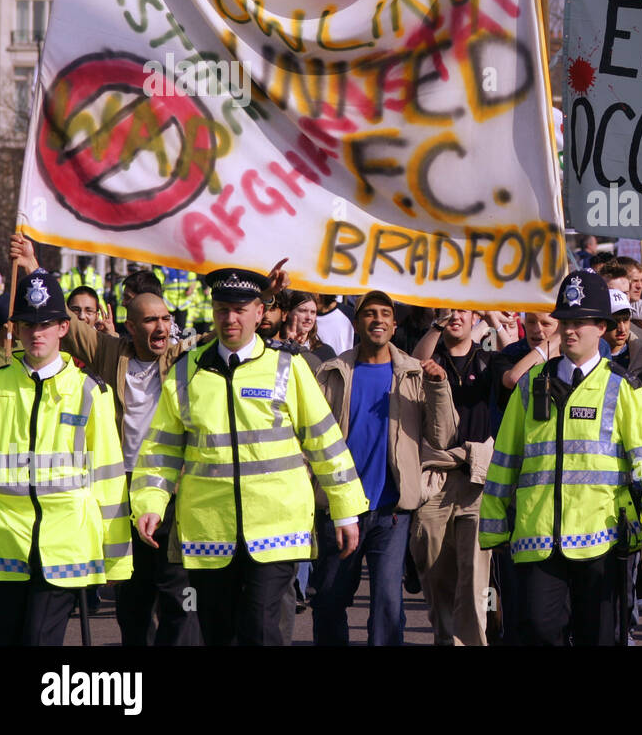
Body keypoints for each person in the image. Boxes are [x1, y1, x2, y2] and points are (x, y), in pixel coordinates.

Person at [130, 267, 369, 646]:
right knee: (217, 633)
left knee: (260, 629)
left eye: (241, 309)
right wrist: (149, 502)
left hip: (275, 527)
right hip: (209, 529)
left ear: (260, 312)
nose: (230, 318)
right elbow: (161, 449)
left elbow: (325, 441)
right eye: (223, 309)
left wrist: (346, 509)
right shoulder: (185, 372)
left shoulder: (288, 367)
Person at [10, 233, 205, 646]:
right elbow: (60, 316)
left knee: (178, 598)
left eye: (166, 319)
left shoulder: (184, 359)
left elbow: (228, 331)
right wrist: (31, 265)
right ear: (129, 327)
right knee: (133, 600)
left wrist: (270, 300)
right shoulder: (110, 353)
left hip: (173, 490)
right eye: (150, 321)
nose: (161, 327)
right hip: (125, 491)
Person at [480, 271, 642, 645]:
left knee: (598, 638)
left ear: (601, 327)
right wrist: (493, 526)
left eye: (580, 323)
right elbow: (505, 459)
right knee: (537, 631)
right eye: (565, 322)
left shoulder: (623, 387)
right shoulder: (532, 383)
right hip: (536, 538)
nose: (569, 331)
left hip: (600, 540)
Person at [0, 269, 132, 645]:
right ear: (16, 330)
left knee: (39, 641)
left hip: (64, 551)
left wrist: (116, 558)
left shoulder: (89, 391)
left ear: (63, 329)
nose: (36, 333)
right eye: (27, 324)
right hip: (1, 547)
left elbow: (108, 478)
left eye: (46, 324)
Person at [312, 292, 457, 645]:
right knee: (330, 602)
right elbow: (310, 436)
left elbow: (443, 436)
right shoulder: (332, 372)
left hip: (392, 513)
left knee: (388, 605)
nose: (377, 320)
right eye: (369, 314)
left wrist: (438, 387)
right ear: (357, 322)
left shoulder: (414, 372)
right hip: (339, 510)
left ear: (394, 324)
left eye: (385, 314)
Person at [410, 308, 497, 646]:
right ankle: (445, 640)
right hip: (435, 479)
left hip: (476, 479)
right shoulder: (432, 354)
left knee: (475, 580)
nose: (454, 316)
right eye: (446, 311)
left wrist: (489, 313)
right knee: (435, 575)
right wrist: (438, 324)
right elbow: (413, 363)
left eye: (461, 310)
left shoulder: (488, 358)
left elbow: (514, 368)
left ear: (475, 317)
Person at [281, 290, 337, 364]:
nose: (309, 317)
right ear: (287, 313)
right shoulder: (275, 345)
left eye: (313, 312)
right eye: (303, 311)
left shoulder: (325, 352)